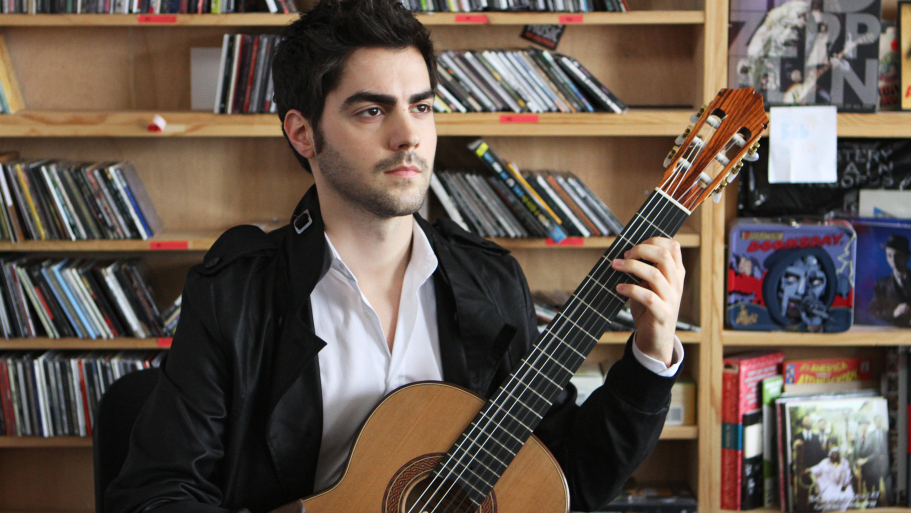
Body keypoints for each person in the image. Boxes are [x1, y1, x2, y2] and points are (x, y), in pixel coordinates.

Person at [104, 1, 685, 512]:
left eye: (423, 107)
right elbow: (155, 495)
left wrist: (651, 356)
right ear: (303, 134)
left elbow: (563, 478)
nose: (409, 136)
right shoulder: (237, 292)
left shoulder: (489, 279)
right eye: (371, 111)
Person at [869, 233, 911, 326]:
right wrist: (893, 312)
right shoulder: (882, 284)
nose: (893, 260)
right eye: (889, 255)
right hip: (892, 334)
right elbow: (873, 311)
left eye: (898, 256)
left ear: (907, 257)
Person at [805, 447, 854, 511]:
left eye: (836, 454)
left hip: (841, 485)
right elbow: (815, 469)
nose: (834, 456)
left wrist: (845, 484)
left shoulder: (845, 462)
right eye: (833, 454)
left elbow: (848, 475)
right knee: (827, 497)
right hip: (829, 486)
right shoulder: (825, 463)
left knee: (849, 495)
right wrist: (808, 471)